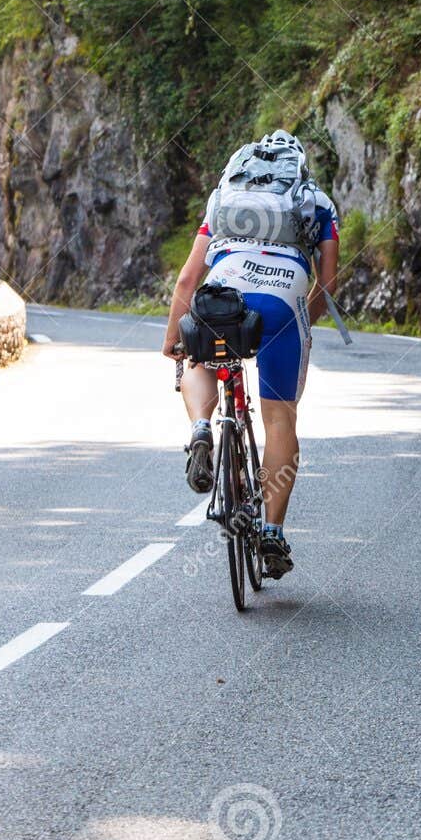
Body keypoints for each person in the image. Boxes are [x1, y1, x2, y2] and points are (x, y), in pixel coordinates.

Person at [161, 130, 339, 579]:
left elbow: (186, 281)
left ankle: (202, 427)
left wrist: (172, 343)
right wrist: (302, 321)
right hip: (282, 302)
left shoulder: (223, 197)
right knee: (280, 420)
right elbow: (330, 285)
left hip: (223, 296)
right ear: (296, 169)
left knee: (197, 358)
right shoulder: (315, 202)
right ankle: (273, 531)